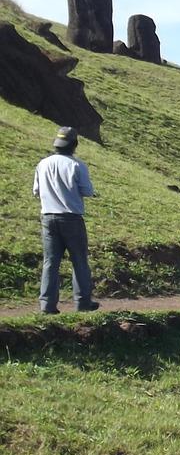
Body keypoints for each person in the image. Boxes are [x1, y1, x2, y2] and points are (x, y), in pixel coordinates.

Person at [33, 126, 99, 314]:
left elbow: (36, 191)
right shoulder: (77, 165)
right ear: (74, 145)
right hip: (71, 217)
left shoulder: (42, 164)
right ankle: (82, 302)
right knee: (79, 260)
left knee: (50, 262)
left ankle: (47, 304)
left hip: (48, 217)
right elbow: (87, 191)